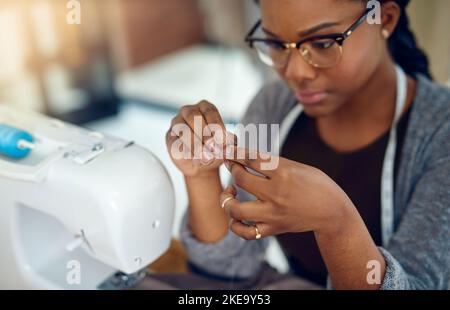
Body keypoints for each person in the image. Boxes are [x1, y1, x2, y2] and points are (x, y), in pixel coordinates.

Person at [163, 0, 450, 290]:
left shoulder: (442, 134)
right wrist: (200, 176)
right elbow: (230, 268)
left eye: (324, 43)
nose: (296, 73)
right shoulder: (274, 105)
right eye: (276, 44)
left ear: (384, 20)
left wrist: (336, 223)